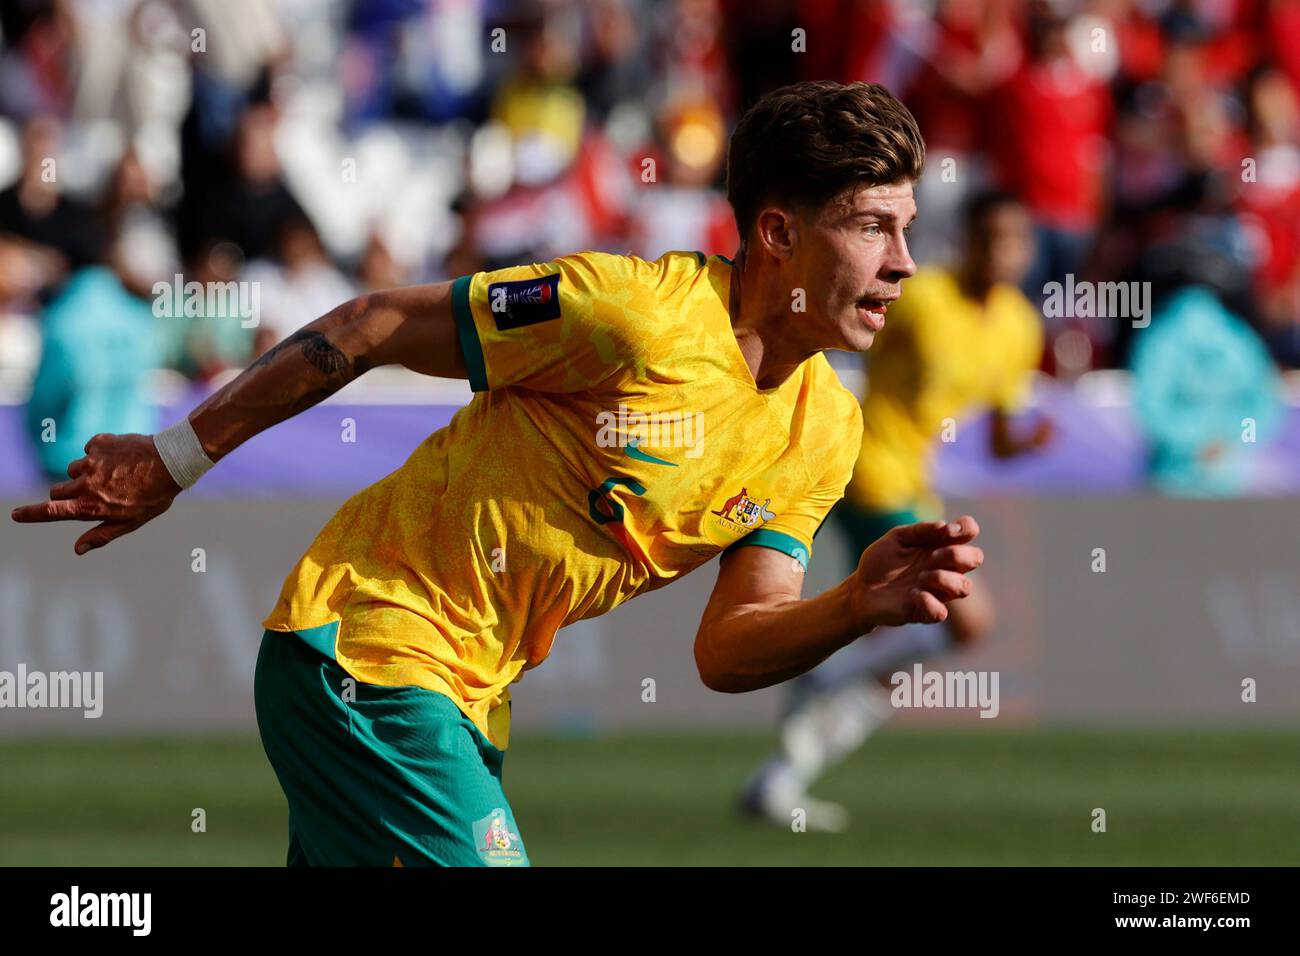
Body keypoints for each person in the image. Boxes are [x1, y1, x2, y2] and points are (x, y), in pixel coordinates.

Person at [12, 81, 985, 866]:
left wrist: (854, 601)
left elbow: (728, 647)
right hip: (372, 645)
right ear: (777, 235)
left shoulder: (823, 429)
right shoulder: (632, 314)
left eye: (905, 228)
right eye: (871, 227)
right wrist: (177, 456)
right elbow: (374, 323)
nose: (904, 262)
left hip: (467, 697)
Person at [741, 190, 1050, 832]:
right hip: (868, 467)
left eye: (1015, 241)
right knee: (968, 621)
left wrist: (1028, 441)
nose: (1003, 253)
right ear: (968, 239)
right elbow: (843, 338)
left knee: (916, 645)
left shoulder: (1019, 327)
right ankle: (827, 676)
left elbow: (996, 437)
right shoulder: (924, 297)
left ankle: (784, 773)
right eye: (990, 238)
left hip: (913, 479)